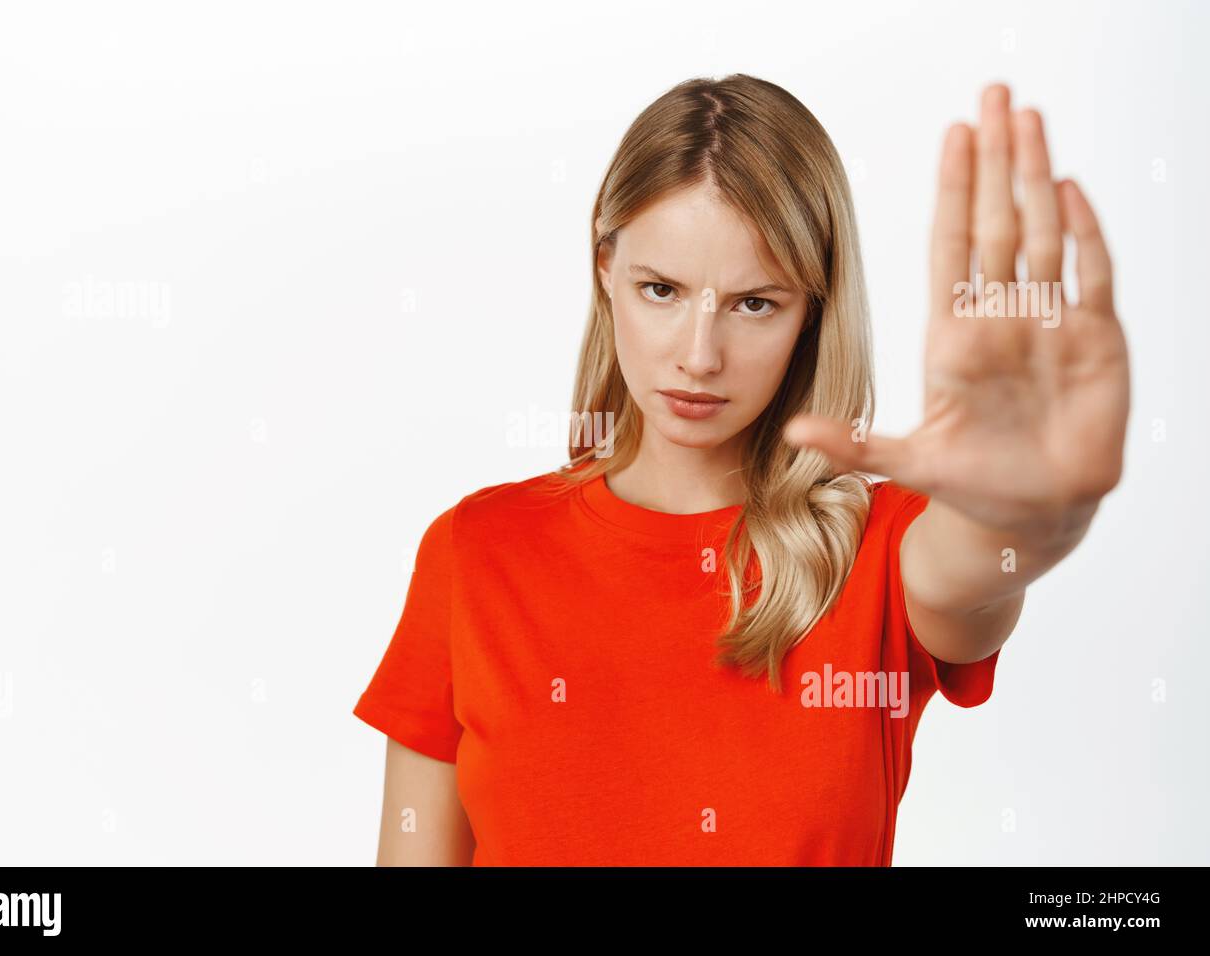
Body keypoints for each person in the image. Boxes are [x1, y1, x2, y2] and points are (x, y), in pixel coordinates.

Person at [353, 75, 1130, 866]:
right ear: (604, 268)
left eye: (755, 303)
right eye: (661, 290)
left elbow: (977, 563)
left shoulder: (880, 551)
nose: (699, 356)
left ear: (813, 312)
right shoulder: (476, 552)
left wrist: (1025, 512)